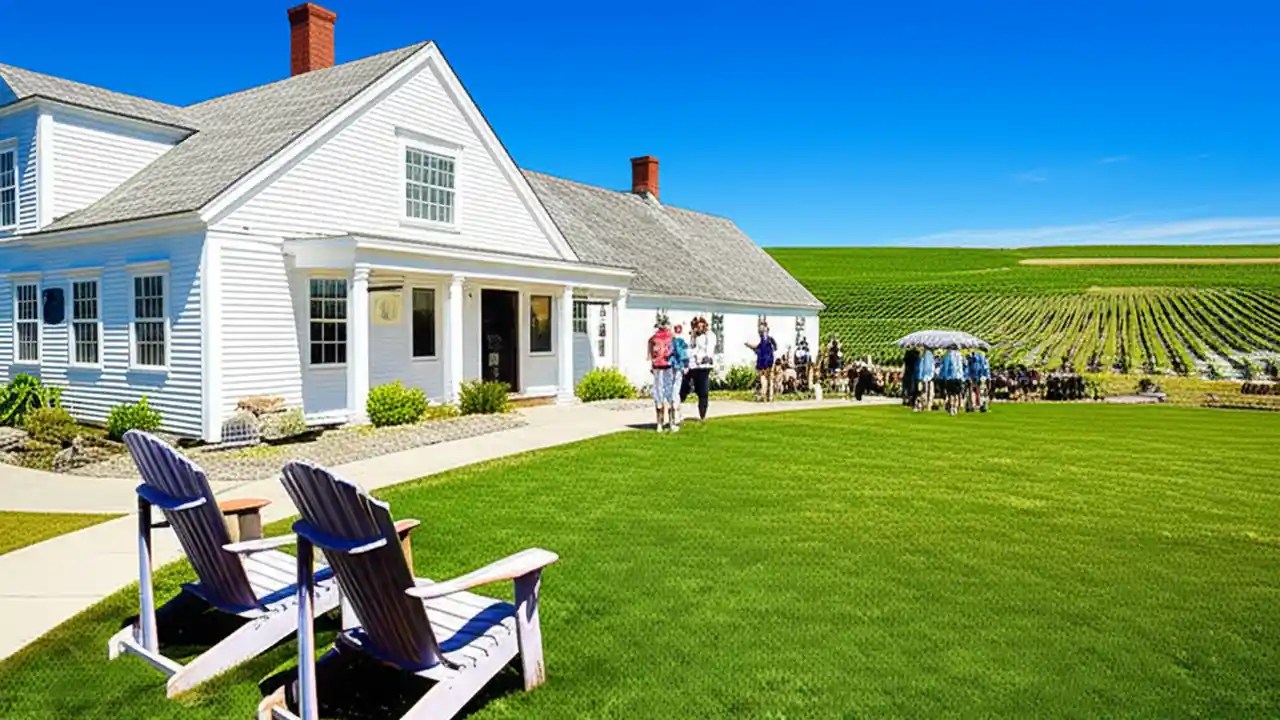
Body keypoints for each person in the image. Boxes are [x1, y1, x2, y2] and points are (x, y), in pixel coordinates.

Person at [685, 316, 716, 421]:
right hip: (692, 366)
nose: (697, 328)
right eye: (695, 326)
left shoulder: (710, 336)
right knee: (684, 387)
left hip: (703, 367)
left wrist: (704, 358)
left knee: (703, 391)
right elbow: (690, 349)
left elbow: (709, 350)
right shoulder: (693, 336)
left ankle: (702, 415)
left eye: (699, 325)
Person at [647, 317, 675, 432]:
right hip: (662, 366)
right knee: (663, 394)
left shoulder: (666, 338)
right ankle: (665, 423)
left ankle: (665, 422)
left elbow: (650, 353)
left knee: (664, 393)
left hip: (663, 366)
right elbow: (650, 352)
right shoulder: (660, 338)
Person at [746, 321, 778, 402]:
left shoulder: (770, 340)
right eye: (760, 330)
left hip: (768, 362)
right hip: (762, 363)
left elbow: (775, 348)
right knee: (763, 380)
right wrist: (749, 345)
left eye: (762, 330)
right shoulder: (762, 341)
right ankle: (765, 396)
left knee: (769, 380)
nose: (760, 331)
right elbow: (757, 348)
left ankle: (768, 397)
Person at [668, 323, 690, 432]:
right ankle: (675, 417)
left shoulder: (670, 341)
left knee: (672, 391)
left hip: (669, 366)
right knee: (675, 392)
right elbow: (684, 355)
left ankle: (674, 417)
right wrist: (685, 365)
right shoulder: (680, 342)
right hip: (677, 367)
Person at [939, 344, 965, 415]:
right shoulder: (959, 355)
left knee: (950, 394)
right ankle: (956, 408)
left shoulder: (948, 355)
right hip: (959, 377)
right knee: (957, 394)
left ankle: (952, 408)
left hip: (950, 377)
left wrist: (943, 377)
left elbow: (946, 367)